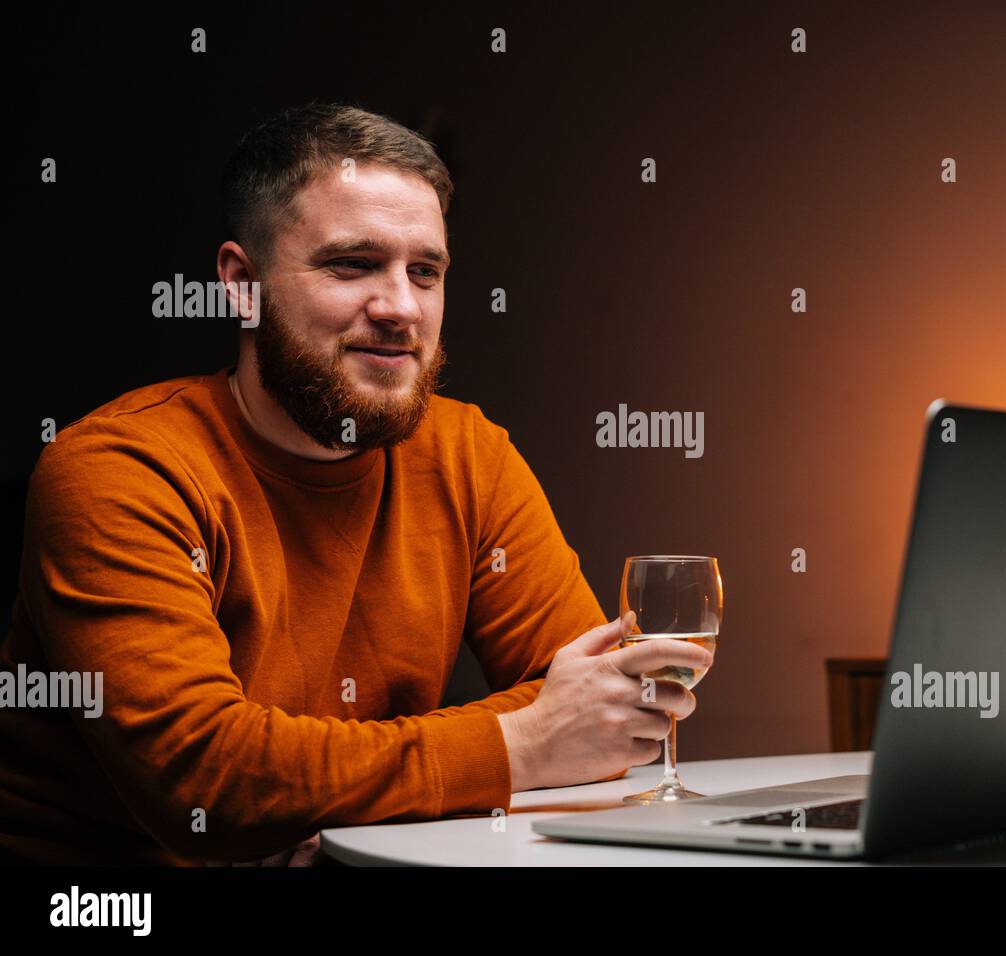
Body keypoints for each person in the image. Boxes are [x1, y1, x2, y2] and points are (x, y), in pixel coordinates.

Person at [0, 102, 710, 865]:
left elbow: (605, 719)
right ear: (242, 284)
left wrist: (330, 797)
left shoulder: (468, 451)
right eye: (352, 265)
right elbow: (205, 782)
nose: (400, 307)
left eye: (426, 272)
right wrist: (516, 742)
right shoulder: (117, 468)